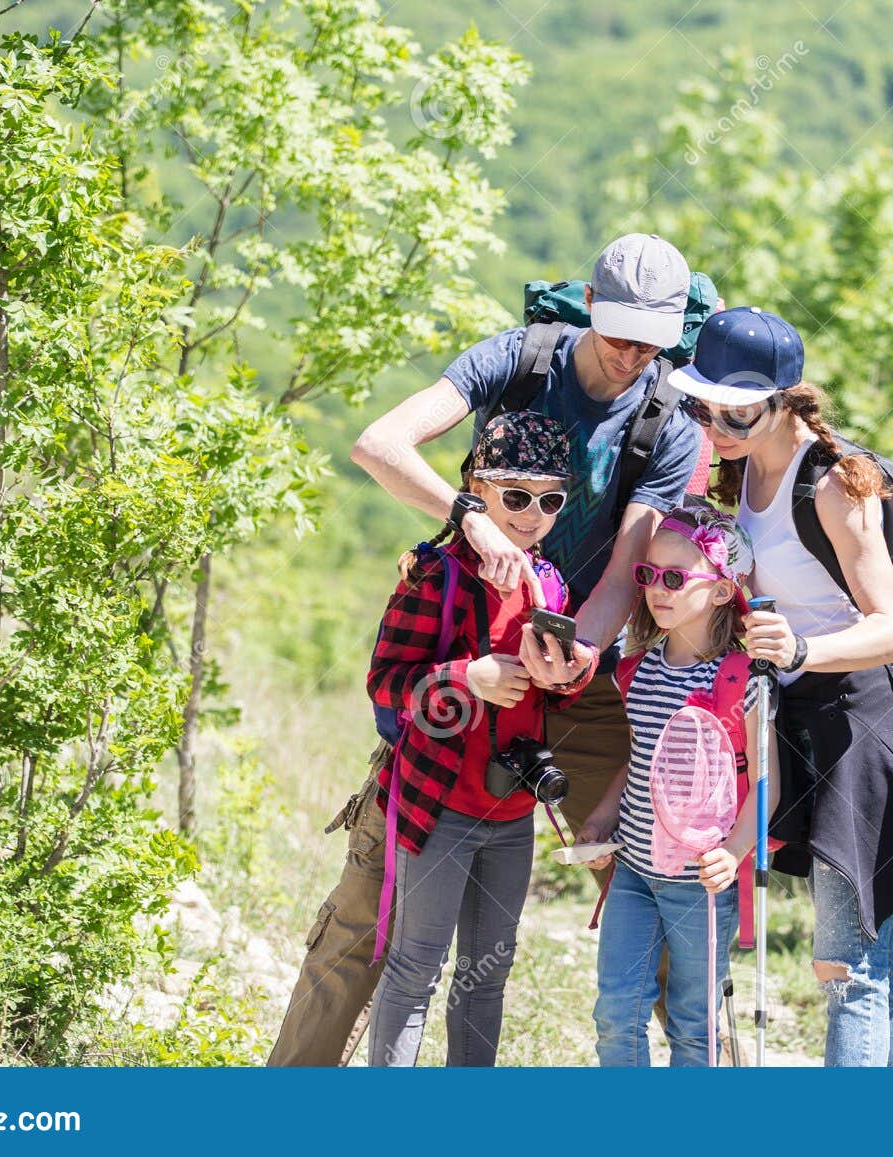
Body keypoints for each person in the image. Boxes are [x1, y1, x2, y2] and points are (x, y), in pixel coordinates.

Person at [270, 233, 705, 1066]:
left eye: (652, 343)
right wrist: (466, 514)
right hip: (459, 658)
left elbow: (625, 569)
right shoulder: (517, 361)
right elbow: (380, 444)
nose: (633, 358)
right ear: (588, 306)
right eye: (619, 336)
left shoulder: (668, 420)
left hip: (577, 671)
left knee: (657, 883)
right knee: (372, 907)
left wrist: (576, 650)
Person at [668, 306, 893, 1067]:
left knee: (842, 963)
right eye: (702, 403)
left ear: (786, 397)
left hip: (861, 728)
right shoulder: (743, 468)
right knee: (870, 954)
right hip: (798, 720)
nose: (715, 421)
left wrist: (801, 647)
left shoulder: (834, 485)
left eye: (735, 407)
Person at [364, 411, 595, 1066]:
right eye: (515, 495)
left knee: (485, 978)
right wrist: (469, 675)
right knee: (415, 971)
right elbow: (385, 683)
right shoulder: (434, 576)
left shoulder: (548, 581)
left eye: (551, 499)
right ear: (477, 488)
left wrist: (570, 675)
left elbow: (553, 693)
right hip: (438, 808)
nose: (532, 513)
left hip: (513, 813)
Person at [579, 506, 775, 1066]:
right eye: (648, 576)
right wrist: (602, 815)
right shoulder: (637, 669)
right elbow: (643, 757)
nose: (656, 590)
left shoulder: (742, 677)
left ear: (720, 590)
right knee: (615, 1014)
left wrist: (734, 851)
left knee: (694, 1023)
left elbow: (768, 785)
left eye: (675, 577)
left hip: (701, 884)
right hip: (634, 874)